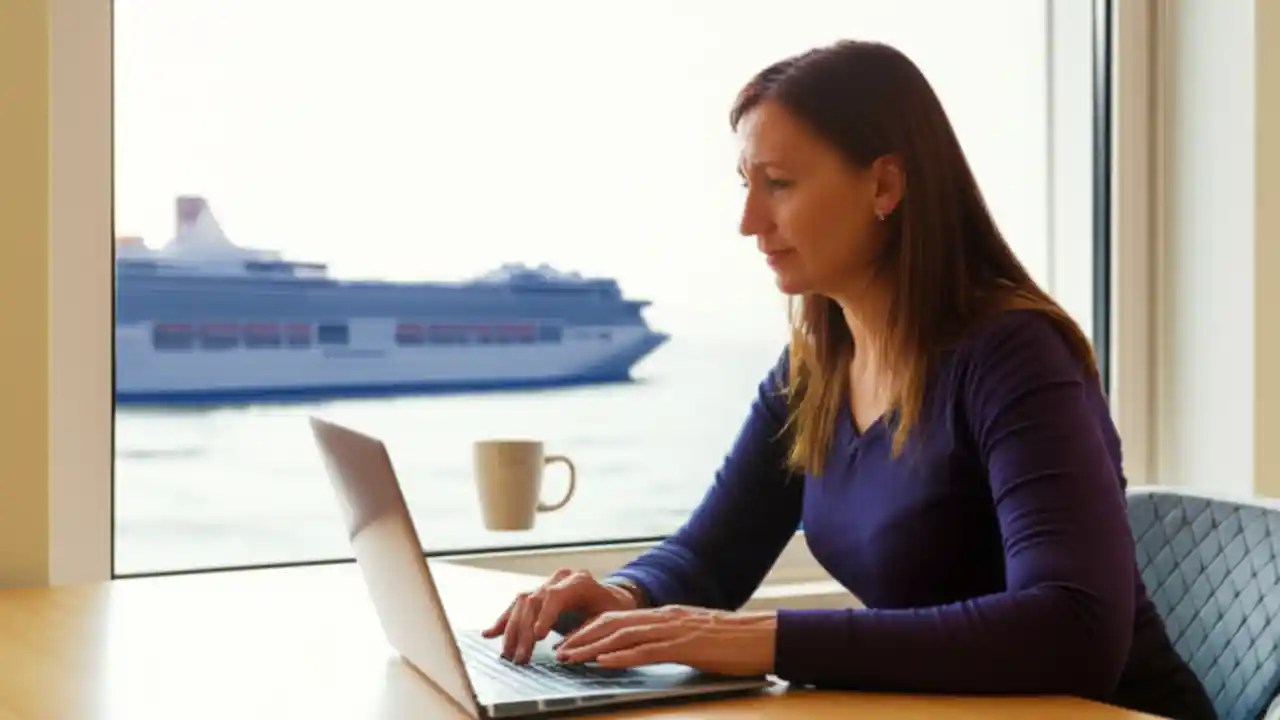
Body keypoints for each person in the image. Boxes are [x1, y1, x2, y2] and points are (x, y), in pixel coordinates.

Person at [483, 40, 1216, 720]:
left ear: (885, 184)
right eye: (745, 183)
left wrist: (765, 640)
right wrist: (623, 595)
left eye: (778, 184)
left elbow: (1073, 630)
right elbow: (711, 554)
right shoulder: (814, 366)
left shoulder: (1015, 355)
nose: (747, 221)